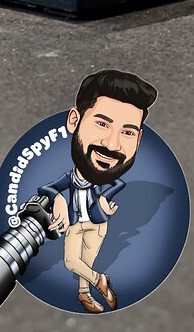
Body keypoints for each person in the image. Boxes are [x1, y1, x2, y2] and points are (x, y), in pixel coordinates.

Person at [38, 68, 157, 314]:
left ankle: (85, 295)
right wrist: (58, 198)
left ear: (138, 137)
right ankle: (99, 280)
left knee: (87, 260)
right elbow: (49, 188)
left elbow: (118, 183)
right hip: (75, 223)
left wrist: (103, 200)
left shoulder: (108, 179)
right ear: (74, 121)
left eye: (128, 132)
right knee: (73, 262)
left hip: (98, 223)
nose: (112, 144)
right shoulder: (70, 177)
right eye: (102, 123)